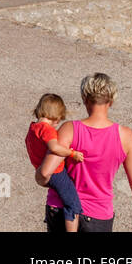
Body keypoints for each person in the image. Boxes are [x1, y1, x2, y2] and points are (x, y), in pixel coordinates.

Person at [36, 73, 132, 233]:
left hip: (60, 209)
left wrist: (40, 178)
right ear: (111, 101)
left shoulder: (70, 129)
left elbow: (45, 173)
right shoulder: (125, 136)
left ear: (84, 98)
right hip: (98, 215)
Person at [26, 94, 86, 232]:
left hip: (42, 169)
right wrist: (72, 153)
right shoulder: (47, 130)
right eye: (59, 119)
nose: (58, 123)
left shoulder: (33, 128)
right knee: (73, 204)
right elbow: (54, 148)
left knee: (63, 194)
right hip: (56, 172)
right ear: (55, 115)